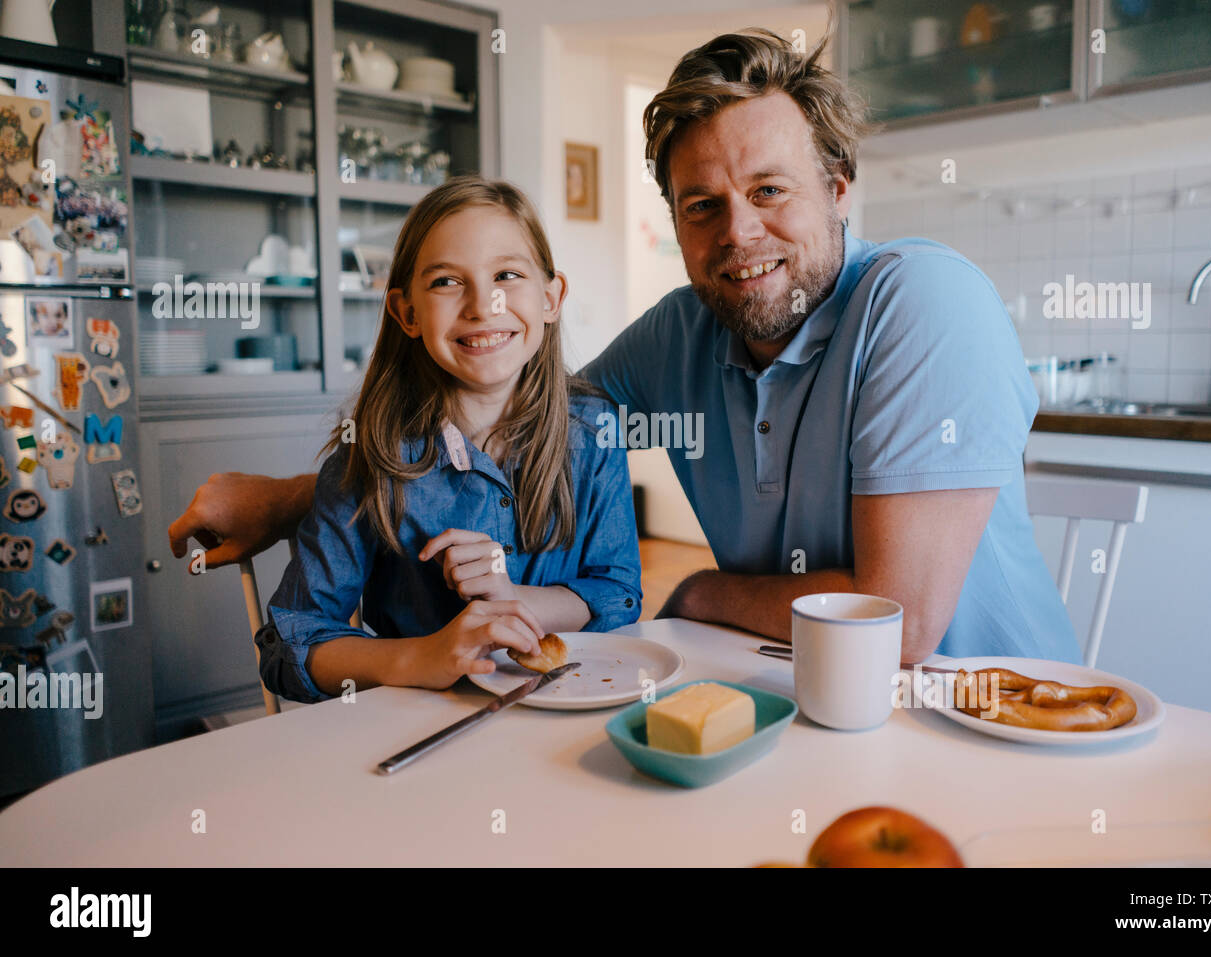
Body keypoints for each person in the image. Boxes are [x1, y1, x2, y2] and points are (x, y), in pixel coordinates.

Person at [171, 29, 1078, 667]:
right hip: (788, 695)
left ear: (839, 188)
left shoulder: (924, 302)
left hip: (982, 722)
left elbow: (899, 622)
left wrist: (693, 595)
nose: (739, 233)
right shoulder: (683, 330)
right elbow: (508, 421)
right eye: (702, 206)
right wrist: (306, 498)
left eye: (771, 189)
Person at [249, 177, 641, 702]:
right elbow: (290, 646)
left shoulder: (594, 433)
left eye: (506, 274)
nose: (483, 305)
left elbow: (616, 593)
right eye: (445, 282)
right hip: (418, 728)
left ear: (551, 297)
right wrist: (425, 655)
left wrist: (510, 596)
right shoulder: (368, 456)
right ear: (407, 313)